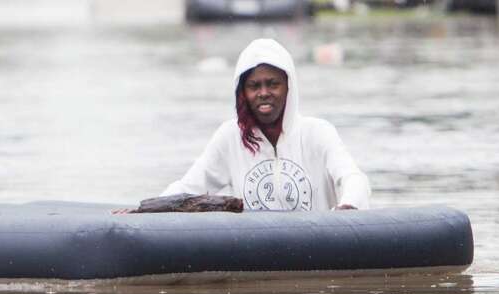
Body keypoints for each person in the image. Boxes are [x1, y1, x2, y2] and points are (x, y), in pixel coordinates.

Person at [155, 37, 370, 213]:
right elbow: (188, 187)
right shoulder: (230, 137)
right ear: (243, 92)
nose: (264, 93)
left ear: (289, 87)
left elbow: (353, 178)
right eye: (254, 86)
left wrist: (347, 206)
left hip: (318, 244)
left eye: (273, 84)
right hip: (256, 248)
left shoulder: (317, 132)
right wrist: (146, 212)